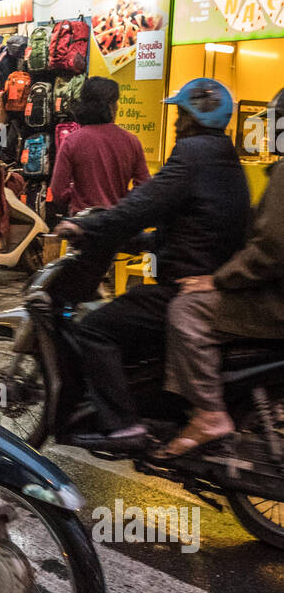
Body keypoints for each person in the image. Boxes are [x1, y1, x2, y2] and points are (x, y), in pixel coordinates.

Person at [55, 78, 250, 454]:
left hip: (184, 283)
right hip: (206, 273)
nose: (175, 122)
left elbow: (140, 205)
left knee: (95, 328)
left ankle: (124, 426)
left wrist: (85, 225)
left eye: (180, 114)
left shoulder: (192, 154)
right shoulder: (225, 156)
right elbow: (190, 221)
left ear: (194, 117)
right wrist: (139, 240)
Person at [156, 86, 284, 458]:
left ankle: (209, 413)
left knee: (186, 309)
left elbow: (272, 248)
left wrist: (221, 279)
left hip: (276, 303)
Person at [51, 75, 150, 215]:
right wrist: (124, 201)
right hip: (118, 223)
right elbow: (144, 187)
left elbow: (58, 191)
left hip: (83, 225)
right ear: (111, 106)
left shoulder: (72, 141)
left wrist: (77, 196)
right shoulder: (131, 141)